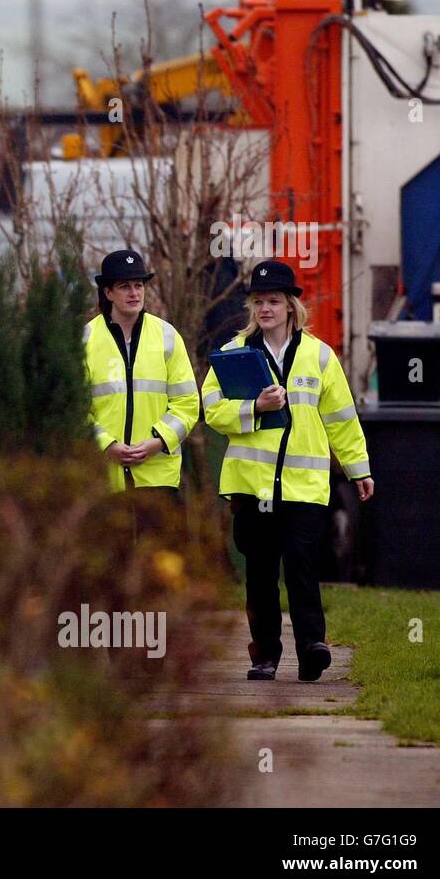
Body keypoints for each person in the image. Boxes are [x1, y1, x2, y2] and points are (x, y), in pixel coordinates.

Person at [201, 259, 374, 683]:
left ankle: (312, 646)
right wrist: (254, 408)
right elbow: (210, 409)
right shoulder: (233, 356)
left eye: (273, 301)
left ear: (291, 305)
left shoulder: (319, 356)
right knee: (260, 572)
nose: (265, 309)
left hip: (303, 486)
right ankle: (264, 656)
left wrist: (358, 468)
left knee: (301, 565)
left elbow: (341, 418)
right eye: (258, 301)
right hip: (251, 485)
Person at [82, 249, 199, 497]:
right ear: (108, 292)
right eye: (125, 286)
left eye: (139, 285)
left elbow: (188, 404)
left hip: (158, 475)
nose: (134, 293)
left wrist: (158, 442)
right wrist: (108, 445)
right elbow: (75, 406)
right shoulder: (86, 339)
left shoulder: (167, 336)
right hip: (104, 478)